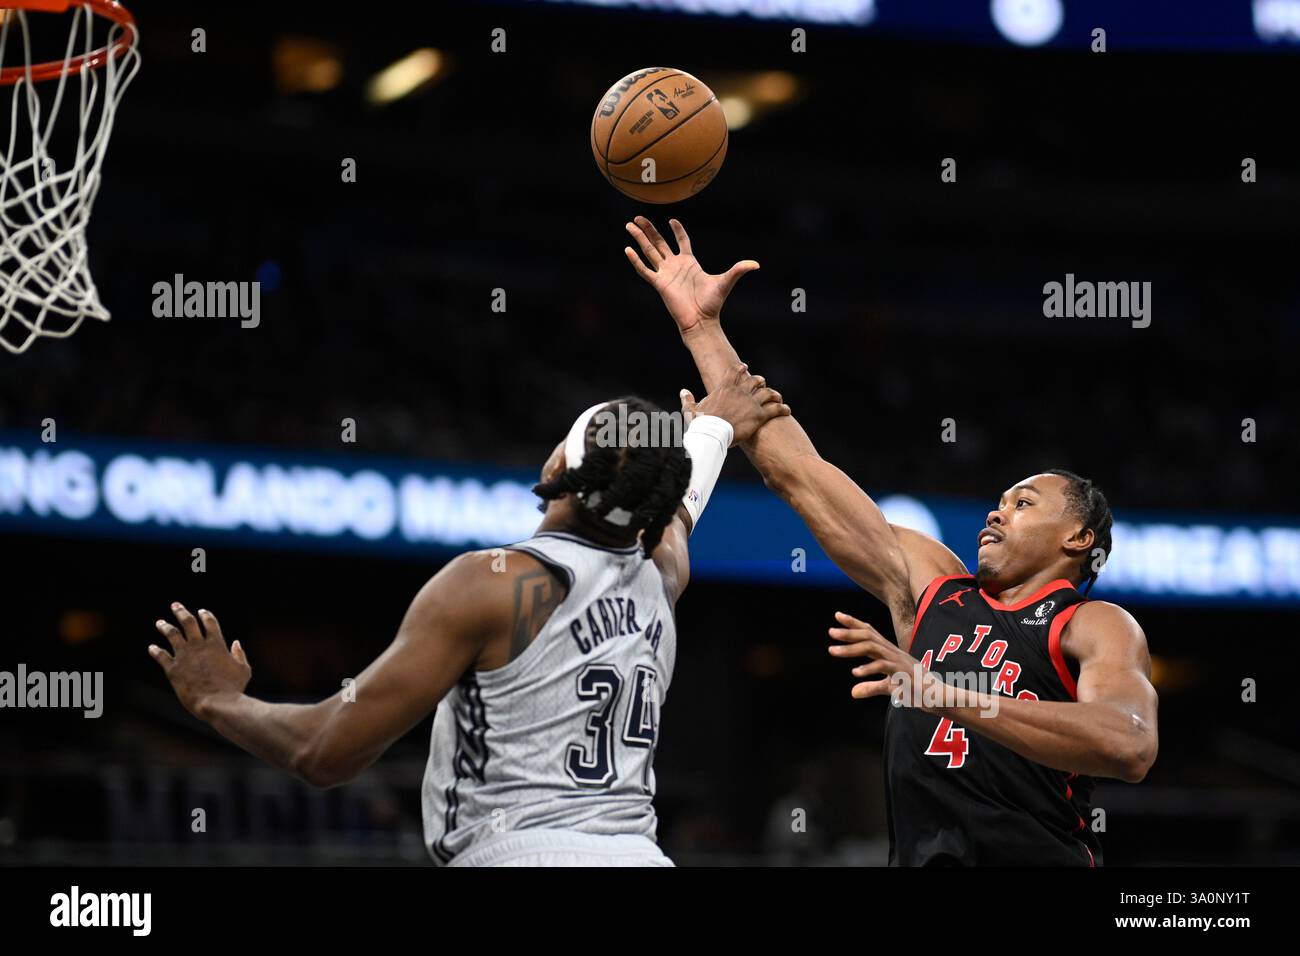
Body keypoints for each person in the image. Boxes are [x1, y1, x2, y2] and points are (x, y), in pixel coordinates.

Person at [624, 215, 1158, 866]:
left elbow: (1128, 745)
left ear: (1078, 537)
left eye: (1022, 504)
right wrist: (703, 331)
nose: (995, 515)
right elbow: (800, 474)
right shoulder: (933, 587)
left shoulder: (1093, 624)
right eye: (996, 503)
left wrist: (939, 692)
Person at [148, 372, 790, 866]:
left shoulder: (491, 586)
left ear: (558, 466)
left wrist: (217, 701)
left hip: (517, 852)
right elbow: (678, 515)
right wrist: (714, 429)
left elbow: (325, 752)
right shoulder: (662, 578)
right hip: (644, 854)